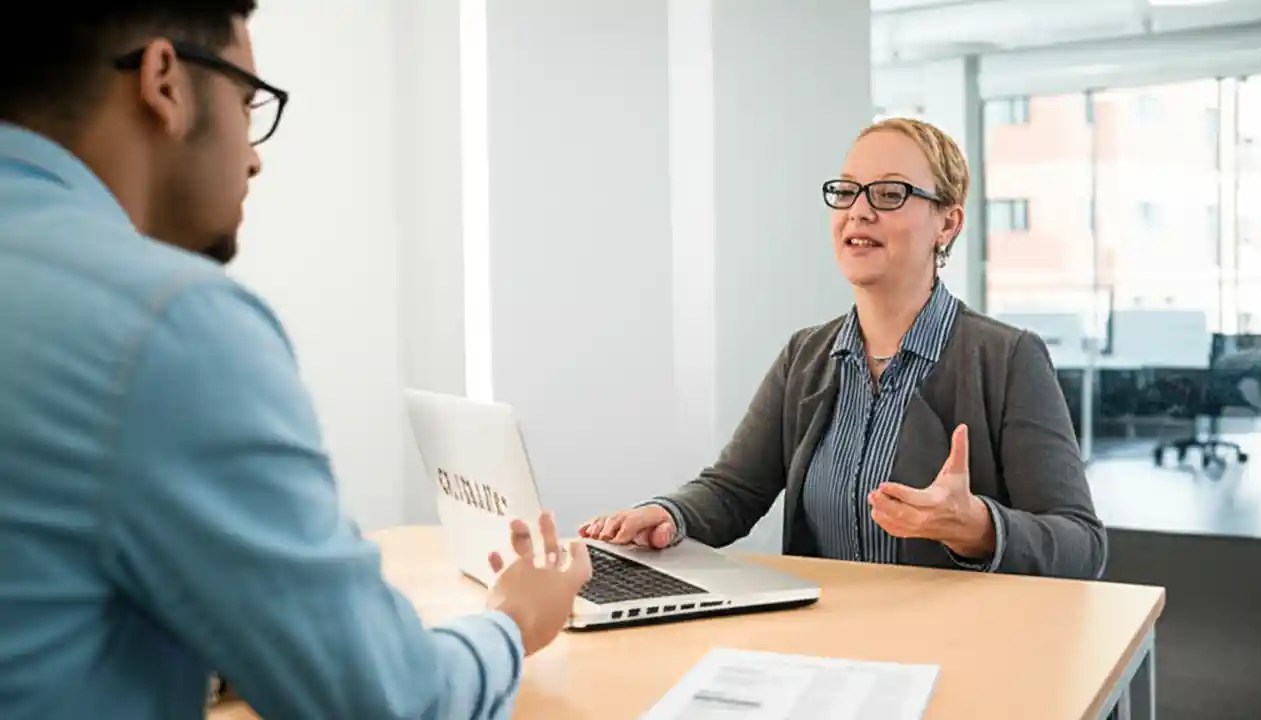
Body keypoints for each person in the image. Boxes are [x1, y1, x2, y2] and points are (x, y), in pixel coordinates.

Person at [0, 4, 590, 719]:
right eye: (249, 101)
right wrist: (514, 621)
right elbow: (387, 703)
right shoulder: (166, 322)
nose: (253, 154)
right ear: (164, 81)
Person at [582, 117, 1106, 580]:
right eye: (848, 191)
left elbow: (1082, 545)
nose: (859, 212)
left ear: (947, 223)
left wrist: (978, 529)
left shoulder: (1008, 359)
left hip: (961, 651)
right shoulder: (805, 356)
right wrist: (669, 514)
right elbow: (733, 491)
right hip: (830, 653)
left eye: (889, 194)